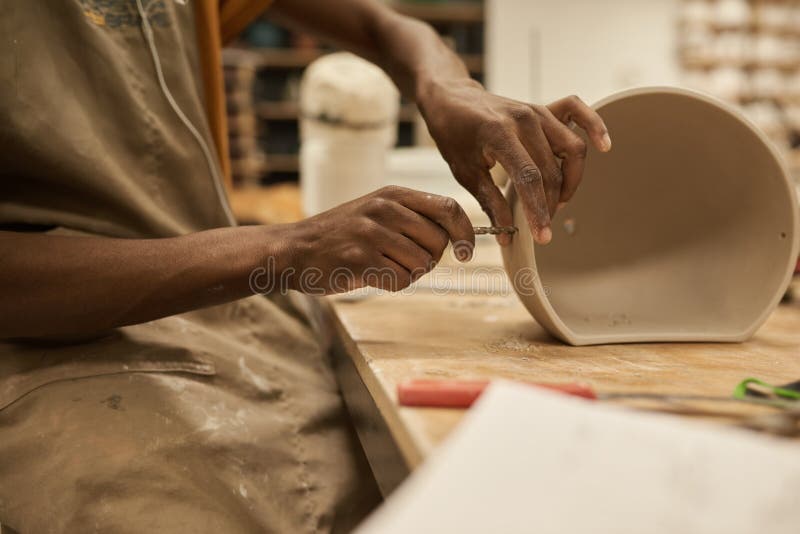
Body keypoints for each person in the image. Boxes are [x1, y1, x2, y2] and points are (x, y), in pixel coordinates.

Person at [0, 0, 611, 531]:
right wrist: (287, 248)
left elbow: (381, 22)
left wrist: (447, 86)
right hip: (55, 352)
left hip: (237, 321)